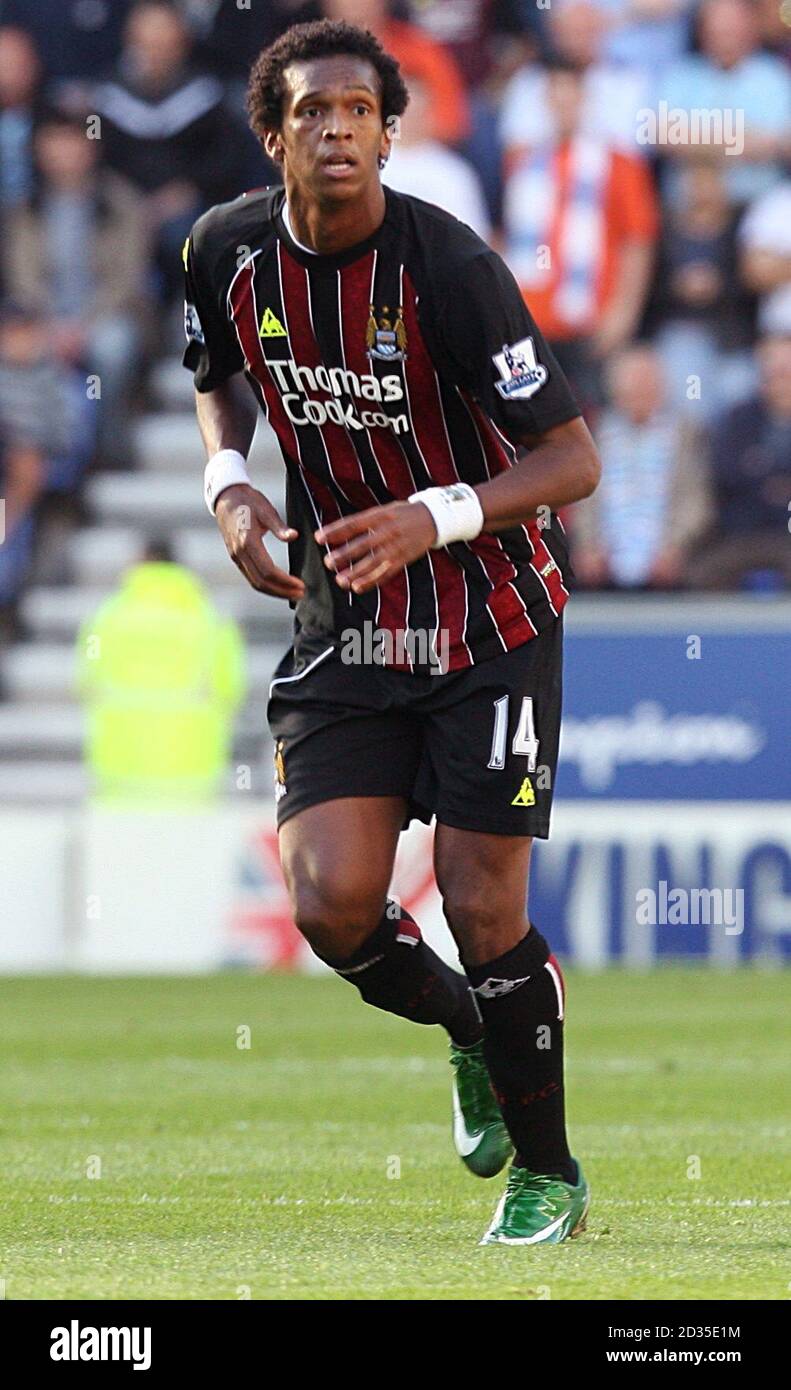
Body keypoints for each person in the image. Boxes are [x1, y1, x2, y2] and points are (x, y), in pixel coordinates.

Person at [183, 18, 600, 1246]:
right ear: (274, 136)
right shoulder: (222, 251)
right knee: (331, 905)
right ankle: (472, 1031)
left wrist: (438, 512)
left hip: (489, 616)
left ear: (389, 132)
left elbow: (571, 459)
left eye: (359, 112)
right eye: (312, 112)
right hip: (345, 617)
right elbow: (213, 367)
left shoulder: (450, 270)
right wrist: (226, 479)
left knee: (483, 906)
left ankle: (550, 1176)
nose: (338, 132)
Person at [502, 57, 658, 409]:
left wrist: (622, 312)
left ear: (587, 99)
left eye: (571, 95)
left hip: (590, 323)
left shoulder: (620, 164)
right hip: (531, 323)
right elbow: (506, 237)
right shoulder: (524, 162)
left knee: (591, 423)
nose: (563, 104)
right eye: (555, 95)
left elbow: (638, 241)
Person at [5, 108, 150, 469]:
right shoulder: (24, 210)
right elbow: (23, 279)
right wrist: (52, 326)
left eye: (74, 139)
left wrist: (83, 327)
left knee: (112, 350)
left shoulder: (123, 203)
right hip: (46, 319)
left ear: (92, 146)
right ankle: (53, 462)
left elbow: (127, 279)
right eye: (55, 140)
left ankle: (108, 441)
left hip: (107, 317)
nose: (64, 150)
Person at [77, 538, 247, 800]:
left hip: (120, 767)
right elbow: (231, 690)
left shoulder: (106, 617)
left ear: (138, 563)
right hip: (192, 769)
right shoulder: (210, 618)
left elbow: (84, 682)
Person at [571, 344, 712, 589]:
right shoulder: (596, 432)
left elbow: (696, 501)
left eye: (647, 386)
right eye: (632, 388)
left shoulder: (685, 434)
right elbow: (582, 499)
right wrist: (588, 545)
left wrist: (675, 546)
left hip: (670, 559)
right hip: (604, 562)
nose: (640, 394)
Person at [686, 334, 791, 590]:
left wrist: (761, 471)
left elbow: (751, 474)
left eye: (786, 372)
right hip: (742, 536)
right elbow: (726, 475)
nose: (780, 381)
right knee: (700, 576)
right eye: (773, 372)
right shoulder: (738, 419)